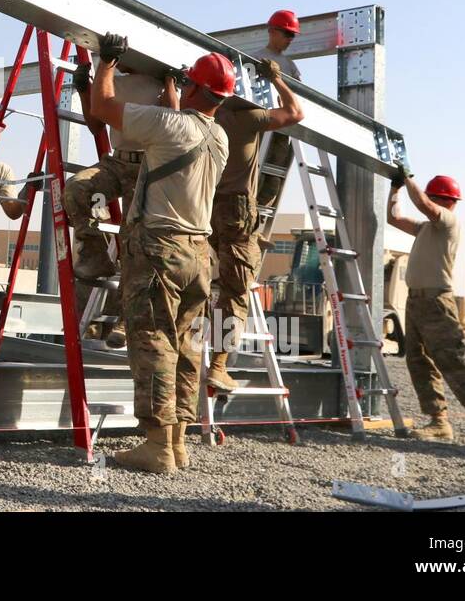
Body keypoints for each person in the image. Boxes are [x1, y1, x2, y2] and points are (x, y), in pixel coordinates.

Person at [87, 36, 231, 474]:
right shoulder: (218, 137)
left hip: (159, 249)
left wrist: (107, 64)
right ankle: (177, 443)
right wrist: (174, 84)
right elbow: (176, 111)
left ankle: (155, 446)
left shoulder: (171, 127)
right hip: (199, 255)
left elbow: (104, 107)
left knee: (152, 341)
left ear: (191, 88)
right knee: (185, 347)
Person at [388, 172, 465, 453]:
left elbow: (423, 206)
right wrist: (395, 188)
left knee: (450, 360)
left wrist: (407, 180)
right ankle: (439, 422)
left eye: (435, 199)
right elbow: (394, 217)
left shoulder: (448, 222)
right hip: (416, 302)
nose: (432, 202)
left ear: (446, 202)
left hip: (436, 303)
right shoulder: (426, 229)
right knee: (418, 361)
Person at [206, 58, 304, 392]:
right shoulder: (249, 118)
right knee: (235, 289)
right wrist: (277, 80)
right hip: (235, 207)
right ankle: (218, 365)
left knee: (200, 283)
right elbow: (294, 112)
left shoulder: (213, 114)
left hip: (206, 204)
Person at [64, 61, 164, 347]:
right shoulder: (113, 77)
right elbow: (96, 124)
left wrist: (171, 83)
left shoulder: (160, 77)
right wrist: (86, 90)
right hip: (119, 160)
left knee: (136, 243)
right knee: (78, 189)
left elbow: (176, 116)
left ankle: (124, 318)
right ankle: (94, 255)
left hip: (150, 164)